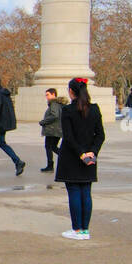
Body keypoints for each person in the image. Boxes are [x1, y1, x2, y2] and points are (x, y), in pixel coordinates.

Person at [55, 77, 105, 240]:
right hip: (89, 157)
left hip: (72, 156)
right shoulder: (95, 109)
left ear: (71, 92)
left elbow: (68, 137)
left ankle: (76, 229)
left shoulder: (68, 111)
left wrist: (81, 153)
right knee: (86, 192)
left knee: (74, 192)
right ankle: (85, 230)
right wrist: (92, 152)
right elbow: (101, 135)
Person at [39, 87, 62, 171]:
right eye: (46, 95)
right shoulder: (58, 104)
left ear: (53, 94)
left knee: (49, 146)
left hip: (52, 130)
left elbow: (54, 115)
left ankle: (50, 165)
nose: (46, 97)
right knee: (53, 147)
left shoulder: (54, 104)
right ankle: (52, 164)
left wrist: (44, 121)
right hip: (56, 130)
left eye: (48, 95)